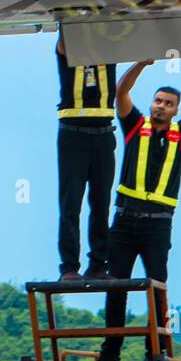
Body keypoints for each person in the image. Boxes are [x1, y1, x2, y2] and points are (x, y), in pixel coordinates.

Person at [84, 56, 181, 361]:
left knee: (157, 290)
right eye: (157, 101)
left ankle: (154, 356)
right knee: (117, 288)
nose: (160, 106)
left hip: (158, 225)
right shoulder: (134, 126)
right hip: (124, 222)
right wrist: (141, 64)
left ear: (175, 109)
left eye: (168, 103)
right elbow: (120, 93)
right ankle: (110, 355)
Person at [55, 25, 118, 280]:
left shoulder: (108, 57)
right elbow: (61, 46)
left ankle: (98, 265)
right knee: (71, 203)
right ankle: (70, 267)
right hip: (73, 134)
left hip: (103, 135)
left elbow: (121, 35)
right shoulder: (70, 57)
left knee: (101, 203)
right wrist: (67, 24)